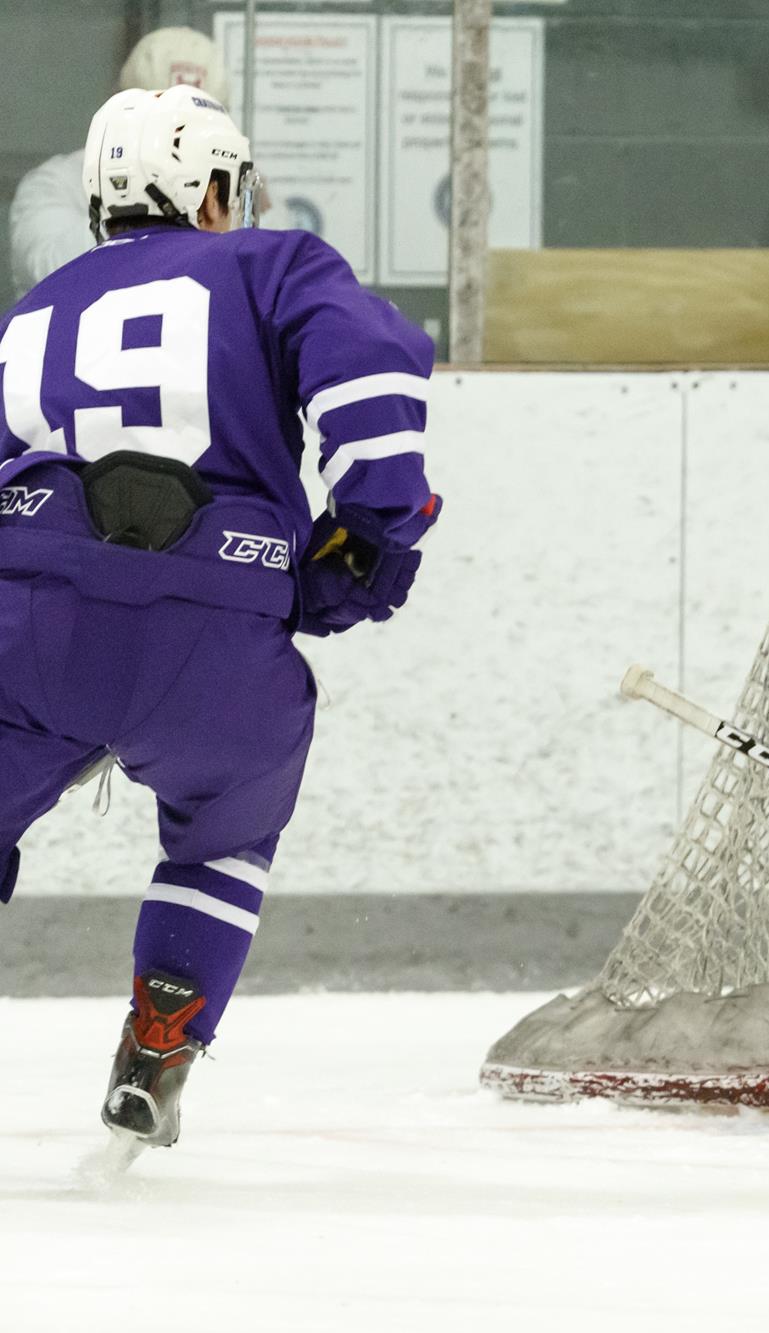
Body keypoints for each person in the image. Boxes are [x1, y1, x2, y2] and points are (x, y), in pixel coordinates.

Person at [0, 86, 439, 1155]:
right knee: (228, 828)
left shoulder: (31, 312)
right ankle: (160, 1043)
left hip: (25, 611)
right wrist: (370, 539)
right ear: (207, 191)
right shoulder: (272, 265)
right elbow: (373, 389)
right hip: (213, 624)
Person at [10, 27, 229, 301]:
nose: (176, 143)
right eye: (154, 123)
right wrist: (159, 204)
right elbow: (49, 269)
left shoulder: (233, 189)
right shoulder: (57, 183)